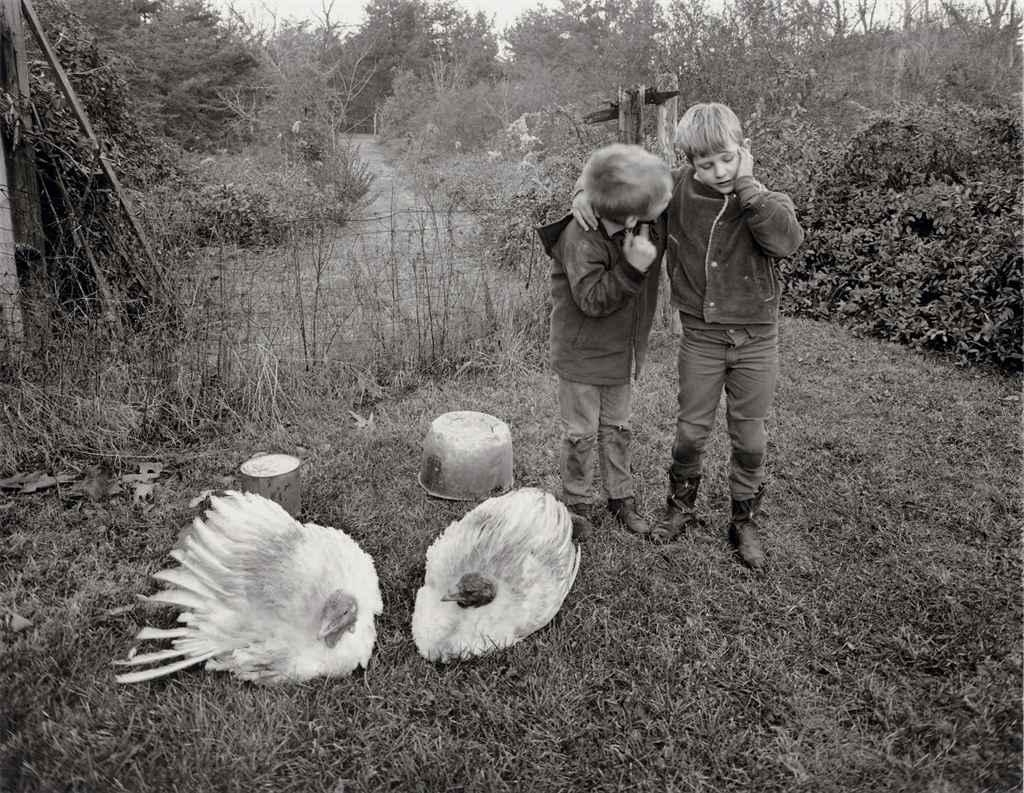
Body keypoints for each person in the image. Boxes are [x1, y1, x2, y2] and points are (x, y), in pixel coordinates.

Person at [571, 103, 804, 569]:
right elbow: (622, 178)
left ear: (745, 151)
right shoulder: (674, 189)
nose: (718, 171)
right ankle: (680, 507)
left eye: (727, 159)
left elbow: (787, 242)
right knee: (690, 431)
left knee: (750, 435)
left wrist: (748, 188)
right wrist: (582, 189)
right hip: (700, 336)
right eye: (705, 164)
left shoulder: (765, 199)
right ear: (689, 163)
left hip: (757, 338)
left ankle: (744, 519)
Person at [536, 143, 672, 538]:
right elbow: (592, 300)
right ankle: (576, 503)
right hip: (579, 357)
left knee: (618, 428)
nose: (664, 213)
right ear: (630, 216)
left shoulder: (642, 217)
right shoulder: (582, 238)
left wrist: (583, 186)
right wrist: (632, 268)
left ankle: (620, 498)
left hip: (618, 354)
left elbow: (630, 172)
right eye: (658, 210)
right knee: (580, 433)